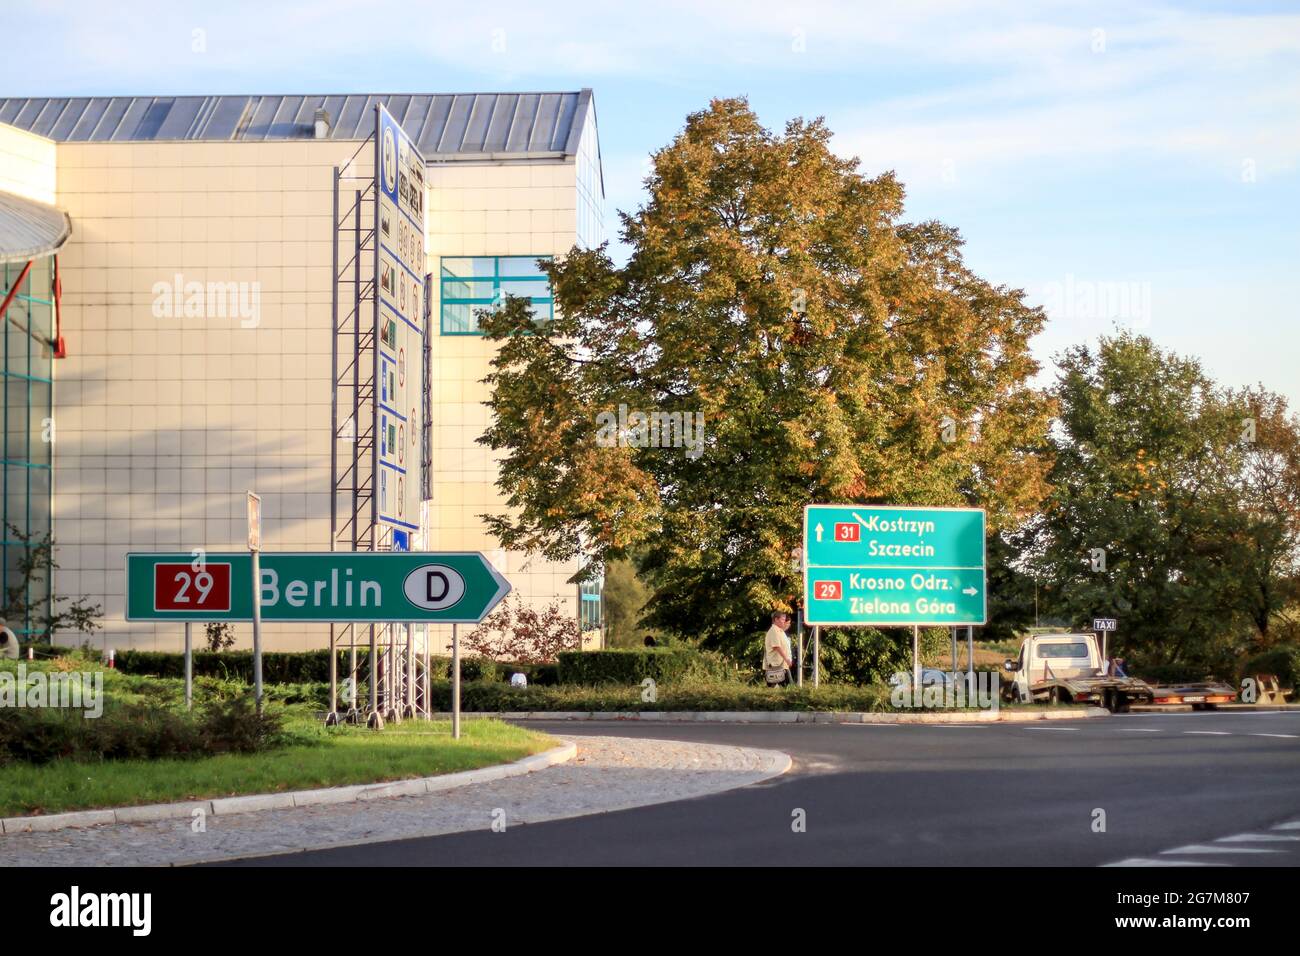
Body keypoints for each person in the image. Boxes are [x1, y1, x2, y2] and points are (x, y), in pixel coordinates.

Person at [764, 611, 795, 687]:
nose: (784, 621)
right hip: (776, 666)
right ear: (776, 619)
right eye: (782, 619)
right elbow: (776, 646)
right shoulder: (774, 631)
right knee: (789, 688)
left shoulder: (780, 631)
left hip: (781, 665)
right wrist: (787, 659)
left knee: (786, 689)